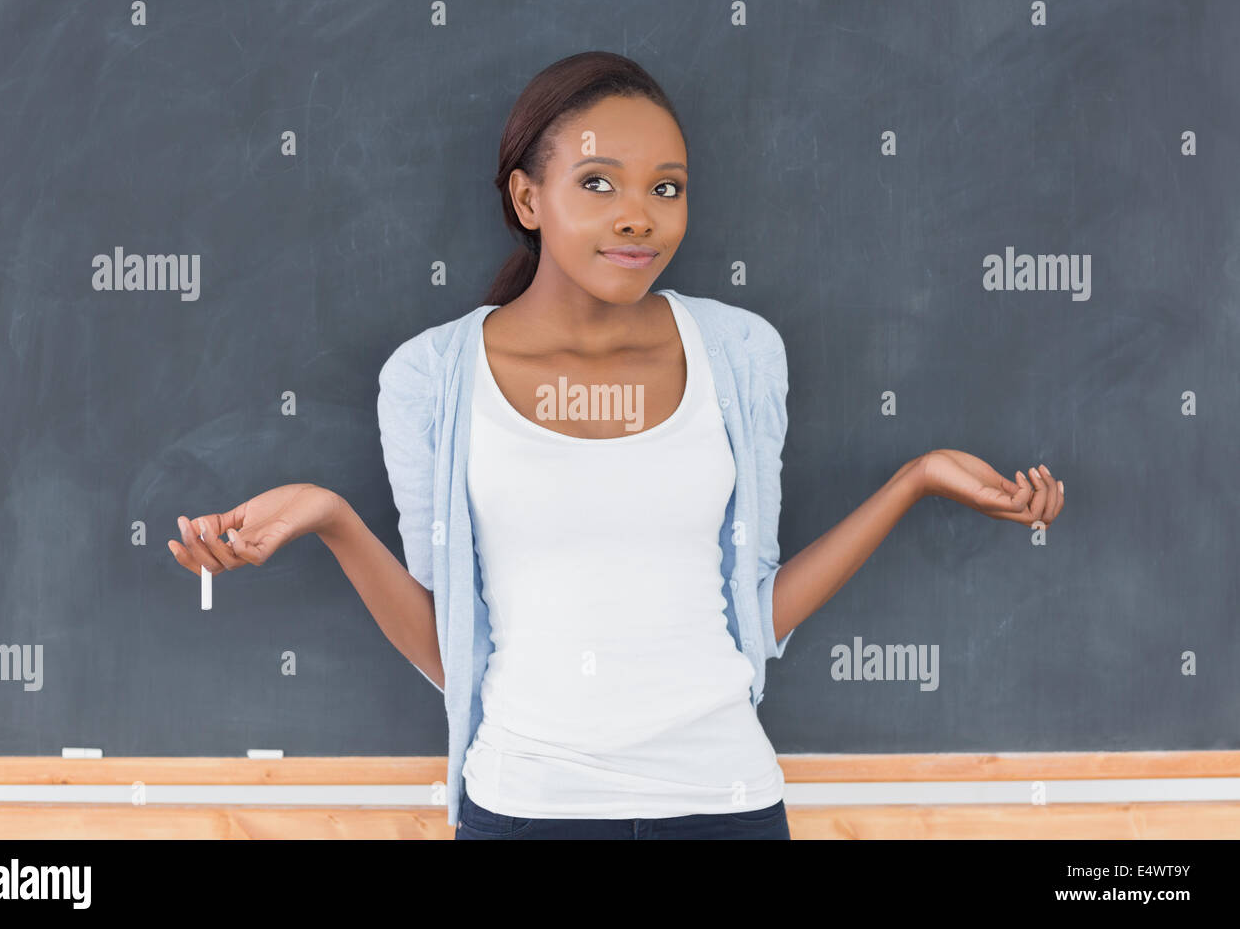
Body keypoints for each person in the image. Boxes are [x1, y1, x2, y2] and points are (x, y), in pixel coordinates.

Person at [167, 51, 1065, 840]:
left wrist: (914, 481)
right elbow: (453, 649)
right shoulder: (431, 377)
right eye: (598, 182)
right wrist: (330, 518)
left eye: (665, 187)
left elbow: (755, 614)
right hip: (525, 807)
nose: (639, 215)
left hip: (726, 801)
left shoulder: (741, 353)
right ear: (528, 197)